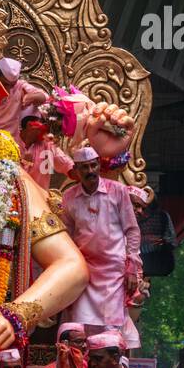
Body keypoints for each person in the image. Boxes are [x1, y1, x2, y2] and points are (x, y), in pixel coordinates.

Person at [60, 147, 143, 351]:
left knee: (111, 329)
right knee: (80, 327)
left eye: (93, 165)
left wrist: (132, 267)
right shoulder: (69, 197)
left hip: (113, 271)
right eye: (84, 167)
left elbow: (132, 230)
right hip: (83, 270)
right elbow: (66, 236)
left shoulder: (117, 190)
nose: (90, 171)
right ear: (77, 171)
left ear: (98, 165)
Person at [0, 56, 50, 142]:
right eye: (5, 84)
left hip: (10, 141)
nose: (8, 90)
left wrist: (32, 97)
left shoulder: (19, 86)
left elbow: (44, 97)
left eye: (12, 85)